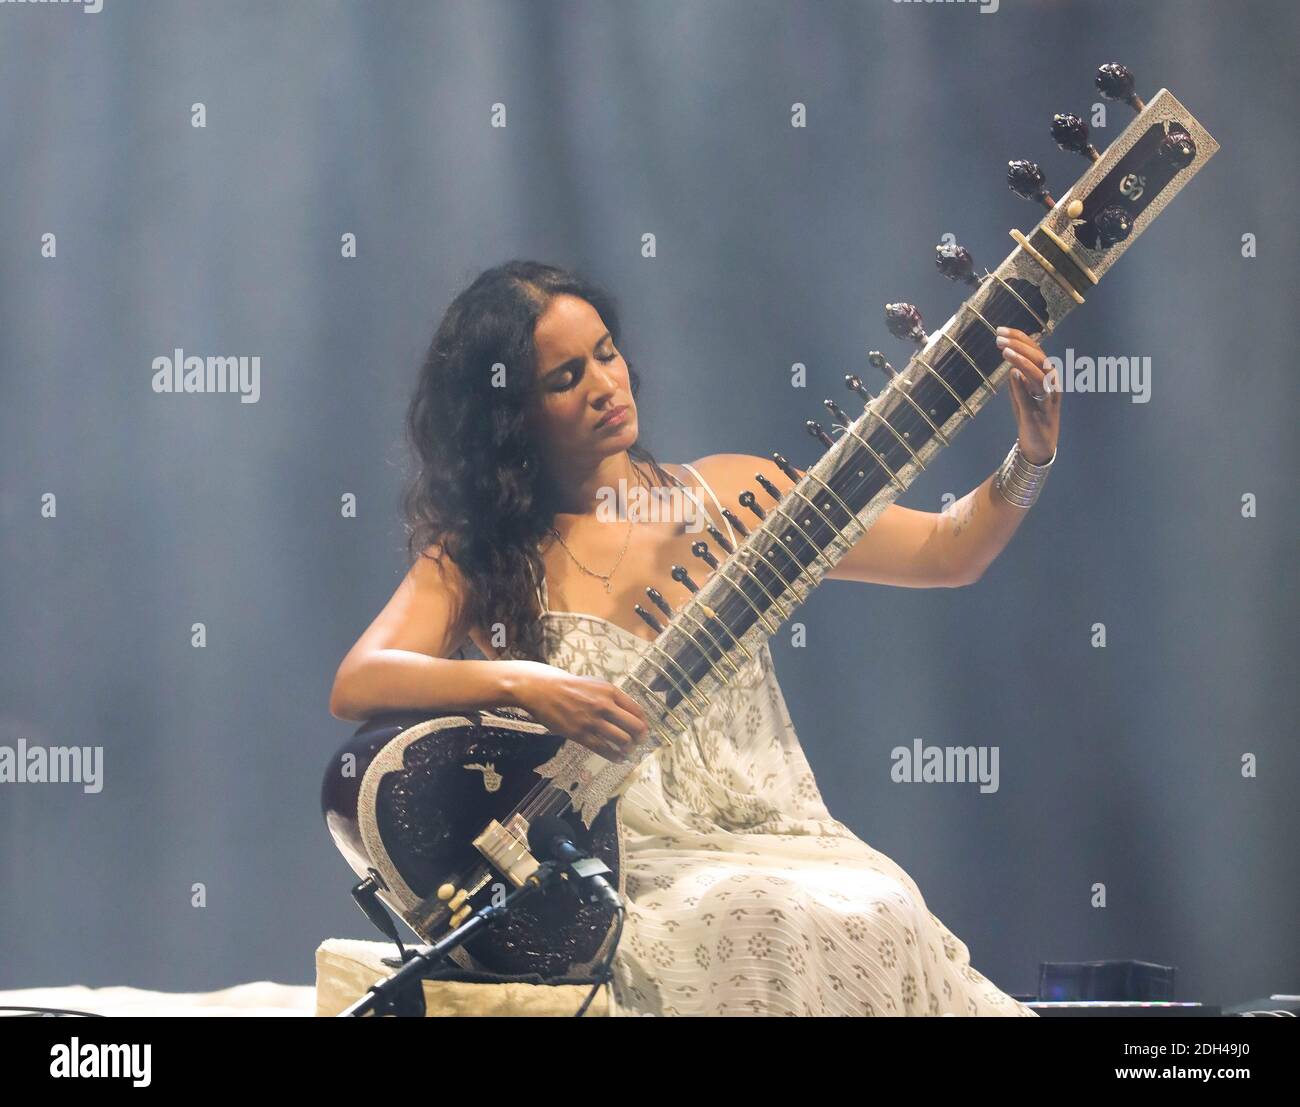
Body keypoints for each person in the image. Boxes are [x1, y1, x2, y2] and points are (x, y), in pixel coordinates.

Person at [329, 259, 1060, 1016]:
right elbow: (362, 679)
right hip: (626, 877)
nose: (606, 385)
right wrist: (526, 684)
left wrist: (1030, 454)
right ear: (511, 413)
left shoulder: (729, 497)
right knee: (760, 913)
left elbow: (946, 550)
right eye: (565, 377)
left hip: (779, 838)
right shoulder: (483, 554)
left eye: (607, 353)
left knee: (881, 903)